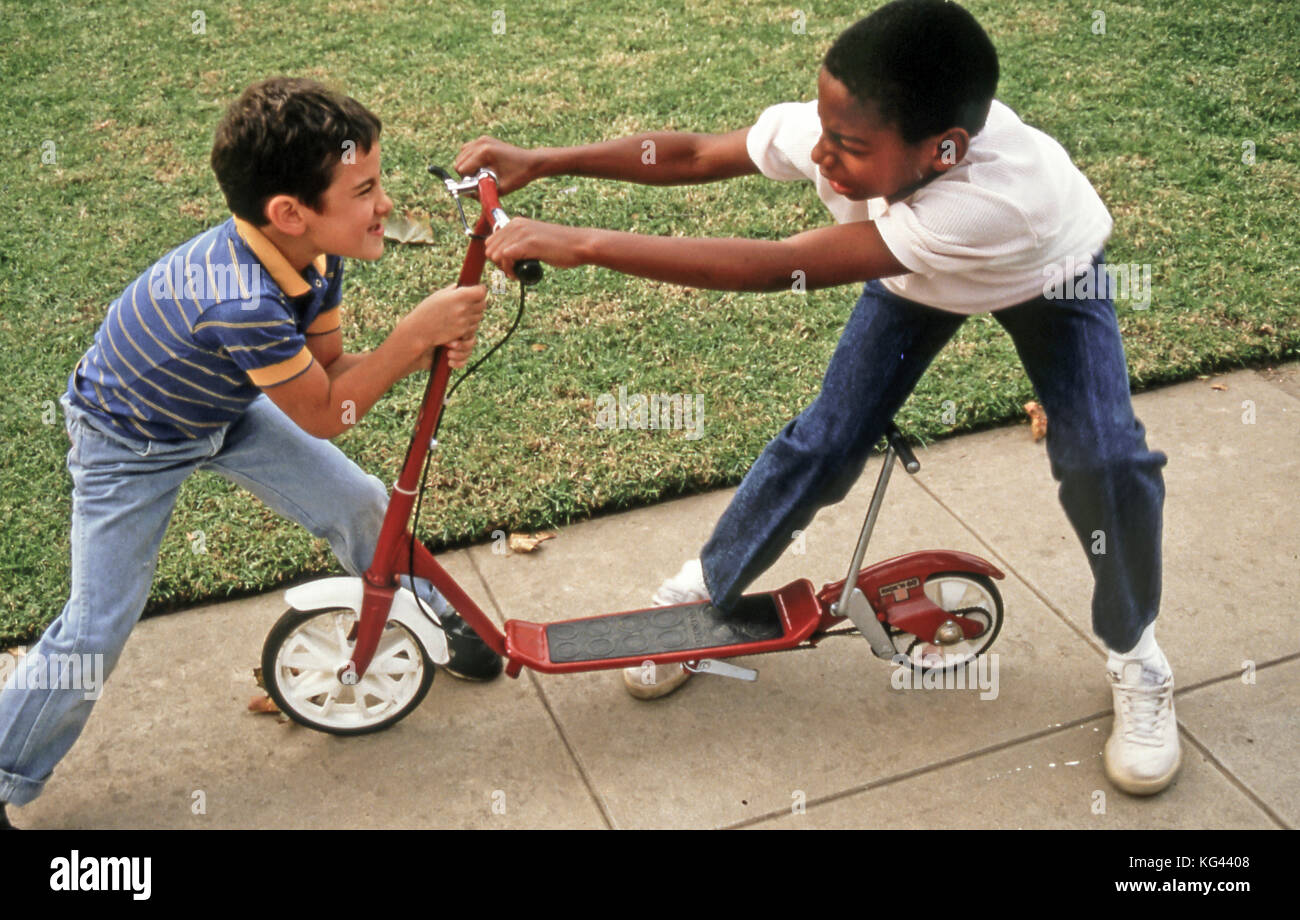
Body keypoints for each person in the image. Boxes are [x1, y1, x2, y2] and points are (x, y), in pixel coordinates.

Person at [459, 0, 1180, 795]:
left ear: (945, 150)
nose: (823, 157)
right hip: (917, 271)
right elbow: (696, 153)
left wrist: (585, 244)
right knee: (826, 441)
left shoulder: (997, 201)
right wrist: (545, 160)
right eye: (823, 134)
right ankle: (708, 595)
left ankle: (1136, 652)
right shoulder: (855, 125)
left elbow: (777, 266)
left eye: (849, 149)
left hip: (1048, 275)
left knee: (1108, 461)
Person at [0, 77, 502, 830]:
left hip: (229, 408)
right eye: (364, 188)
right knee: (96, 626)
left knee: (360, 503)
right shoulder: (236, 298)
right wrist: (413, 336)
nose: (387, 204)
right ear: (290, 213)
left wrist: (417, 342)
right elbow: (330, 414)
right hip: (128, 439)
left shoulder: (314, 257)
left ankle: (435, 615)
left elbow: (328, 375)